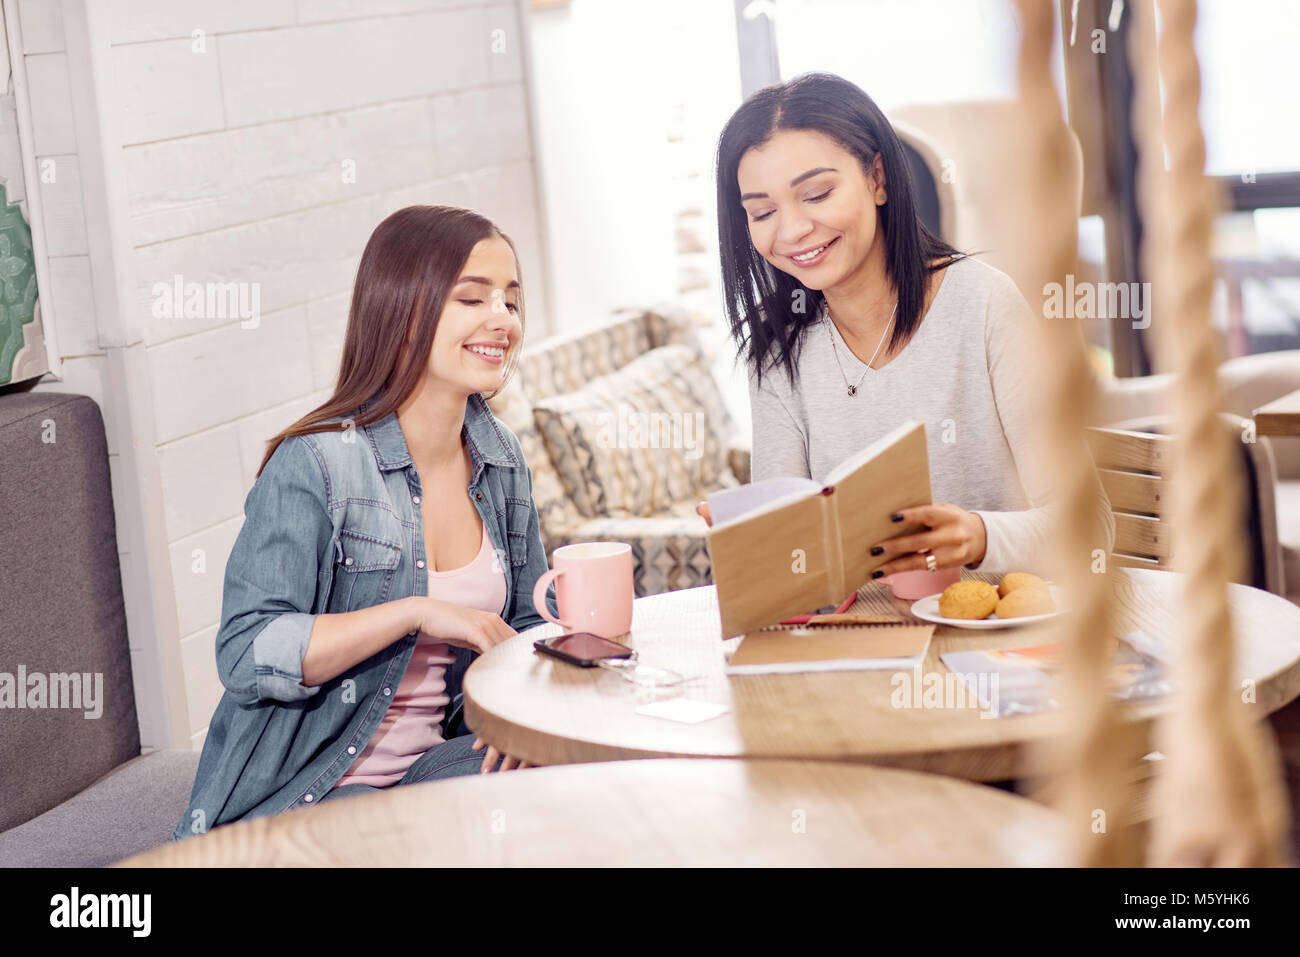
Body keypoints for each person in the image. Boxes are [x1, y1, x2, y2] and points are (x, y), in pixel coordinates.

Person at [173, 205, 555, 842]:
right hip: (311, 791)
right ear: (404, 311)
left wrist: (527, 717)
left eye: (511, 301)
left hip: (433, 769)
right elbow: (246, 651)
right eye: (472, 298)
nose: (502, 320)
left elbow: (524, 626)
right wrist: (415, 612)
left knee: (586, 772)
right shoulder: (317, 464)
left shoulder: (498, 455)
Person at [700, 72, 1112, 574]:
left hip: (994, 627)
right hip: (863, 638)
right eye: (762, 211)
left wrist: (980, 537)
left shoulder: (982, 303)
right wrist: (757, 540)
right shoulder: (777, 347)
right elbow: (793, 556)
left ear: (877, 179)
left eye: (816, 195)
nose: (791, 230)